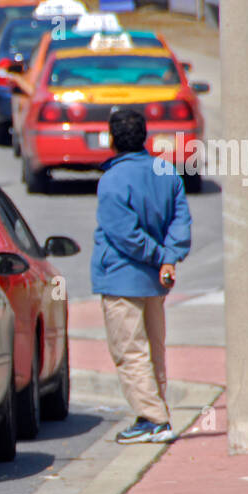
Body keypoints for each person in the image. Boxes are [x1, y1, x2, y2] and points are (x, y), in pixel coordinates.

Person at [91, 109, 192, 444]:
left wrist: (160, 256)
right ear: (144, 137)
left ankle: (154, 419)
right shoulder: (166, 170)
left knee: (130, 351)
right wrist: (169, 257)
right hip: (155, 281)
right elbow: (180, 219)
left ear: (111, 139)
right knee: (154, 349)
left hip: (122, 277)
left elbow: (124, 235)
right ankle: (153, 410)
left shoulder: (112, 180)